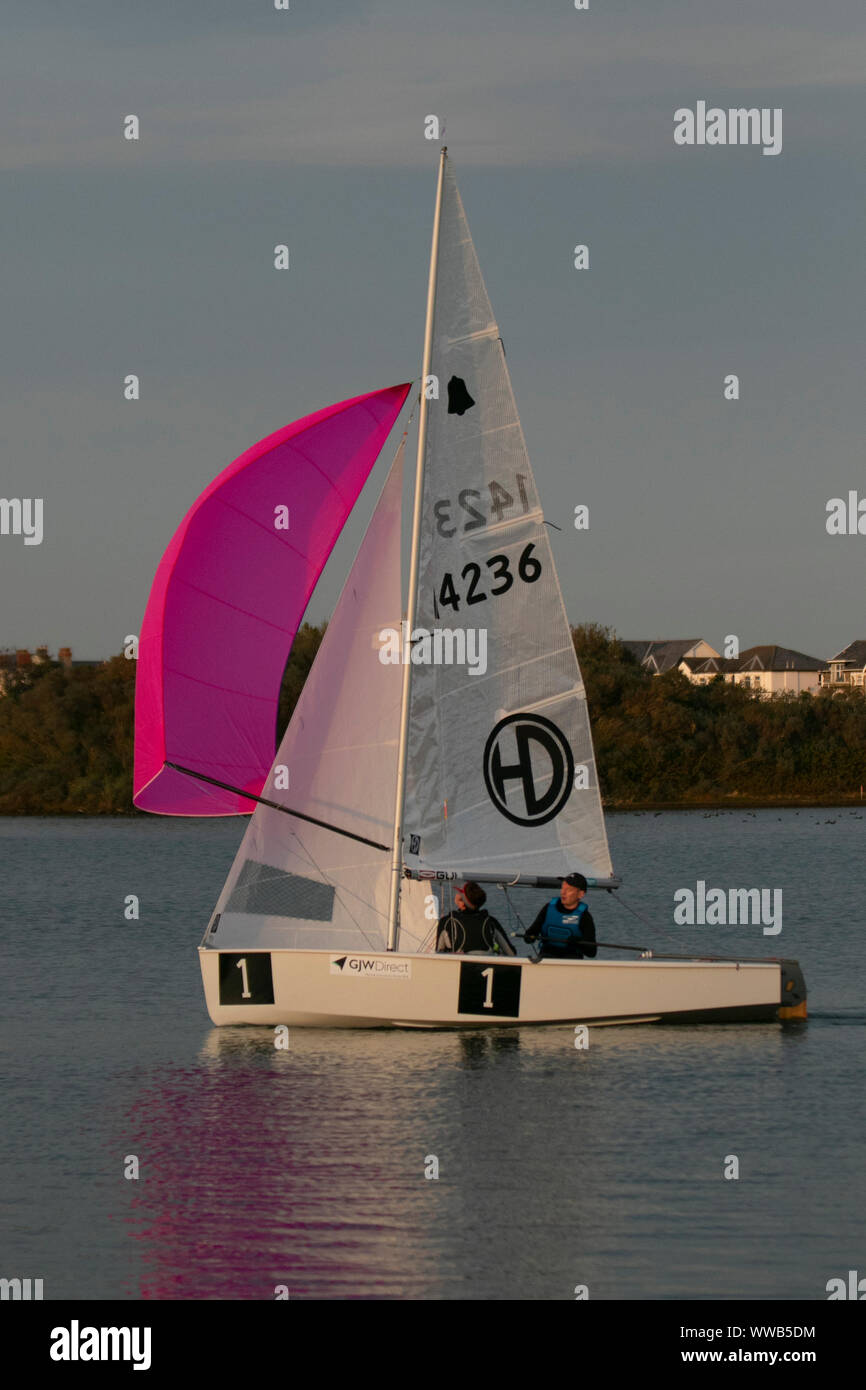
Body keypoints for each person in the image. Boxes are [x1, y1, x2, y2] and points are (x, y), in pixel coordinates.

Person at [523, 873, 597, 960]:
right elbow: (529, 936)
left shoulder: (585, 917)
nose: (563, 893)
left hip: (571, 961)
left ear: (580, 894)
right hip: (547, 957)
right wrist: (529, 936)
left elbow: (592, 953)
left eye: (569, 890)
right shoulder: (548, 908)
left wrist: (579, 942)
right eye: (562, 888)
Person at [435, 881, 516, 956]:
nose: (456, 894)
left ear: (462, 903)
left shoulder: (446, 922)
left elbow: (438, 954)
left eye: (458, 892)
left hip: (458, 969)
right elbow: (511, 953)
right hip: (487, 967)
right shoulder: (491, 921)